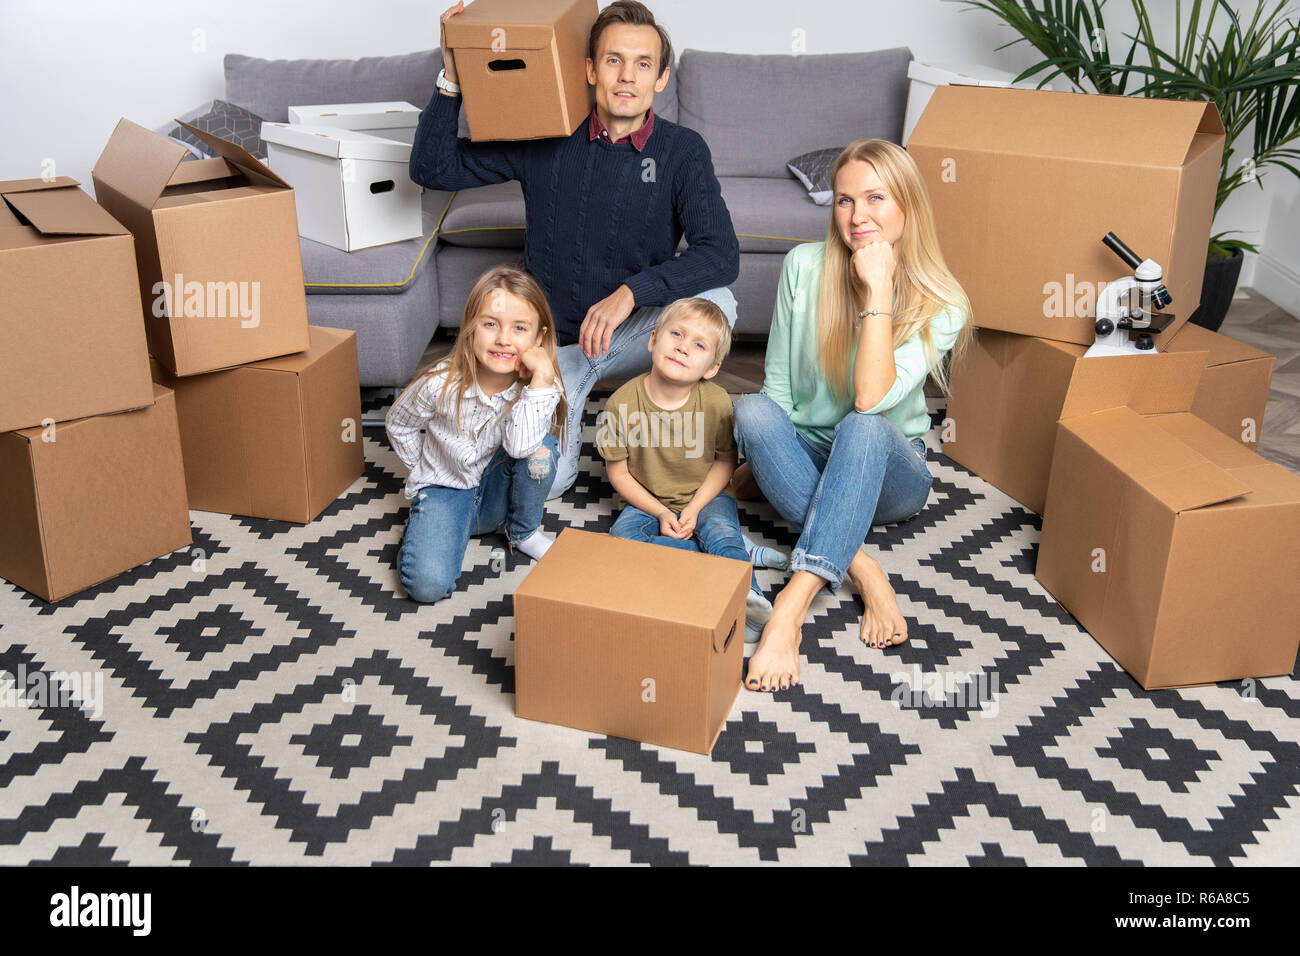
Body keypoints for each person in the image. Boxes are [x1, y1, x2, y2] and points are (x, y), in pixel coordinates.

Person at [412, 0, 740, 500]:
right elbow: (432, 169)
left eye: (643, 64)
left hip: (630, 335)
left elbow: (721, 255)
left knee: (719, 302)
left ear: (661, 79)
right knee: (546, 484)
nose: (627, 76)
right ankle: (549, 392)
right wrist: (452, 77)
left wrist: (631, 293)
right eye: (613, 60)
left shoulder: (682, 150)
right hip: (555, 346)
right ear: (590, 69)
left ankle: (644, 409)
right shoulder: (547, 135)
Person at [734, 139, 972, 693]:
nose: (857, 215)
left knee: (860, 424)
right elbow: (775, 391)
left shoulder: (945, 301)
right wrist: (767, 454)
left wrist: (879, 289)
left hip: (888, 469)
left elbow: (869, 399)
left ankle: (791, 607)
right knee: (750, 411)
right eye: (844, 200)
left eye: (875, 198)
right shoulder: (803, 265)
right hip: (811, 450)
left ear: (908, 204)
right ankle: (863, 567)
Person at [387, 266, 568, 604]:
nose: (503, 339)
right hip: (447, 491)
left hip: (499, 491)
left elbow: (521, 448)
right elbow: (400, 424)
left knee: (542, 450)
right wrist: (424, 473)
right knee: (426, 586)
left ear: (538, 338)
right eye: (490, 324)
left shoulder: (542, 385)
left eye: (519, 328)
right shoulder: (439, 382)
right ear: (470, 326)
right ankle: (428, 528)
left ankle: (523, 531)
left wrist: (542, 378)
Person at [595, 298, 772, 638]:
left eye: (699, 345)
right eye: (676, 334)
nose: (682, 347)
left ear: (712, 368)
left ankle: (747, 598)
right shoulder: (620, 403)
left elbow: (725, 463)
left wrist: (693, 508)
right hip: (646, 500)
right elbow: (618, 473)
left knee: (720, 531)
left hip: (706, 497)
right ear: (653, 340)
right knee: (622, 541)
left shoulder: (717, 401)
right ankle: (724, 558)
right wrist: (661, 512)